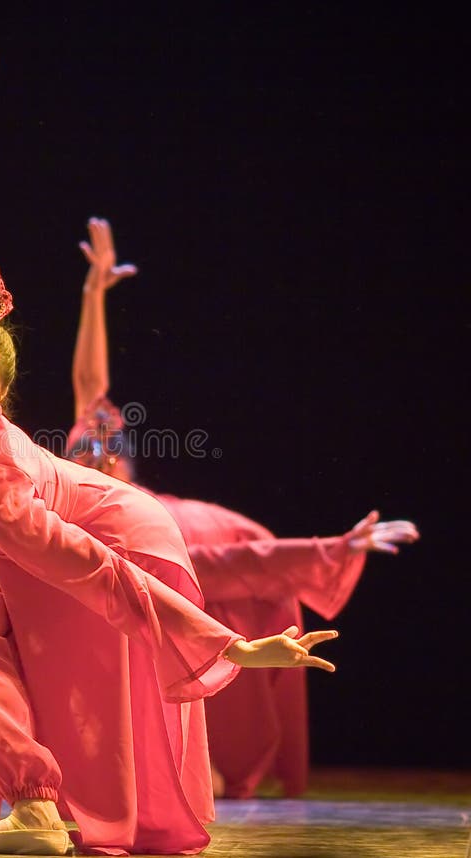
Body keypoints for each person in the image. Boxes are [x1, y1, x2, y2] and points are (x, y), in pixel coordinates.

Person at [0, 10, 341, 855]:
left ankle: (38, 814)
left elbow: (105, 578)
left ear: (1, 399)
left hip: (118, 535)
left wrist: (235, 647)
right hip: (21, 545)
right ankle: (35, 813)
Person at [65, 216, 420, 799]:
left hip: (211, 546)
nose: (96, 455)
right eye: (89, 453)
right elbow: (88, 381)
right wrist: (92, 293)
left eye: (104, 457)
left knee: (204, 616)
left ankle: (218, 759)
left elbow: (248, 562)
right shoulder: (68, 489)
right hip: (131, 549)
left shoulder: (150, 534)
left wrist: (335, 548)